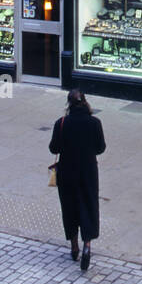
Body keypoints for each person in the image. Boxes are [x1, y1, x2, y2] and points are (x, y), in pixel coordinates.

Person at [49, 89, 106, 271]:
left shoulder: (62, 123)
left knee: (70, 207)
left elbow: (53, 148)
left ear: (69, 104)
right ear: (85, 102)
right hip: (88, 172)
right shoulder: (95, 122)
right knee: (88, 206)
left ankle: (74, 246)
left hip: (67, 172)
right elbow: (101, 147)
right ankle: (87, 244)